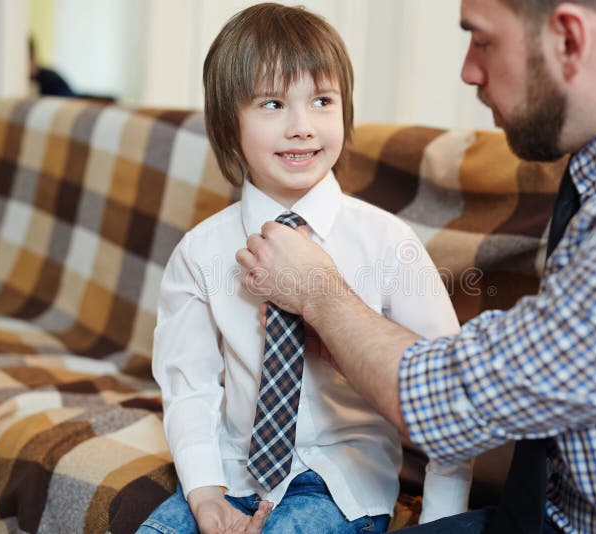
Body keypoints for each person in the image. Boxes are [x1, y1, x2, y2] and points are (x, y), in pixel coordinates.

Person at [236, 0, 596, 532]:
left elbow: (456, 399)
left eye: (481, 40)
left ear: (569, 39)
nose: (467, 71)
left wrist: (318, 292)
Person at [138, 4, 472, 534]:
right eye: (272, 103)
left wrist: (443, 520)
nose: (302, 127)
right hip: (232, 471)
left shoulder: (388, 243)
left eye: (321, 101)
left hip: (343, 480)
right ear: (229, 124)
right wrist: (204, 494)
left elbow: (453, 386)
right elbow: (190, 386)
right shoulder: (201, 251)